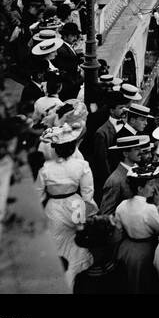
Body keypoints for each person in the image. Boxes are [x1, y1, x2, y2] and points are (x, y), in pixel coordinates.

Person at [35, 121, 95, 290]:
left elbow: (38, 194)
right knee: (78, 239)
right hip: (76, 205)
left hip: (53, 208)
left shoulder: (45, 168)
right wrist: (89, 212)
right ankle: (78, 276)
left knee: (57, 243)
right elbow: (88, 193)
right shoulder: (82, 165)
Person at [113, 168, 159, 293]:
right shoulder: (149, 209)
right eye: (150, 185)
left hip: (126, 248)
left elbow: (118, 228)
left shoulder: (122, 205)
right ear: (140, 188)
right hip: (145, 250)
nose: (154, 188)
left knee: (129, 281)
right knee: (145, 282)